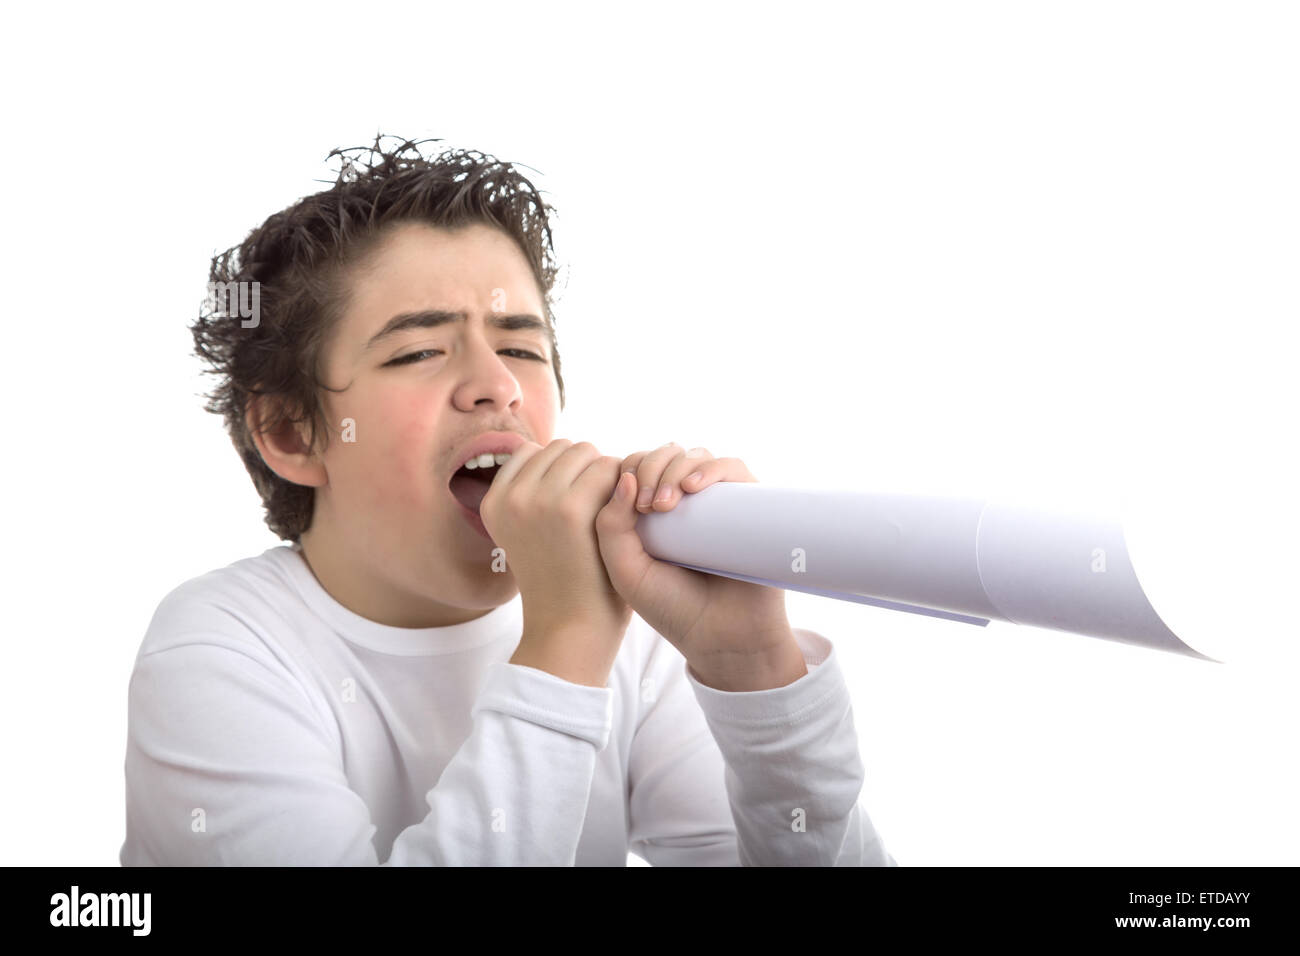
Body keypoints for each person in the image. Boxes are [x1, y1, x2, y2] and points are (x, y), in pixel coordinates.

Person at [119, 134, 897, 866]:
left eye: (523, 348)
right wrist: (566, 642)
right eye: (419, 350)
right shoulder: (217, 649)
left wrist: (751, 668)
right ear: (291, 432)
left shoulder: (640, 635)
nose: (498, 385)